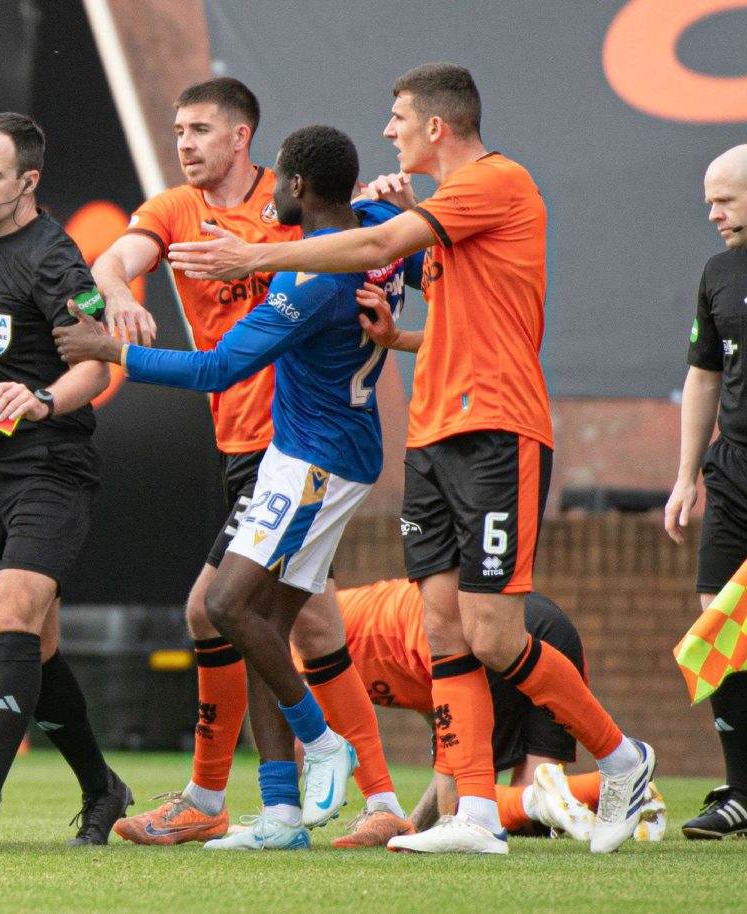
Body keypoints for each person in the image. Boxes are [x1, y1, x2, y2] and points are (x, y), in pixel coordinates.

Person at [166, 62, 654, 855]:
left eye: (397, 118)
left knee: (495, 636)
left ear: (437, 126)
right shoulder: (439, 213)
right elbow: (452, 307)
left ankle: (625, 759)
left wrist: (252, 259)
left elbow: (378, 243)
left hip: (497, 429)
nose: (387, 132)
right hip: (430, 433)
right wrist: (396, 339)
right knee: (444, 632)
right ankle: (473, 814)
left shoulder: (495, 183)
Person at [57, 125, 408, 851]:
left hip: (310, 458)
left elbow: (217, 370)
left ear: (300, 189)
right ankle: (280, 813)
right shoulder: (377, 227)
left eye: (280, 180)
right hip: (325, 448)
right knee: (266, 625)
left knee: (223, 605)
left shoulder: (308, 283)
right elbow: (399, 235)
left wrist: (111, 350)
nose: (270, 192)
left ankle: (322, 745)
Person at [0, 113, 129, 850]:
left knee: (11, 615)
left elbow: (97, 362)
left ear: (29, 181)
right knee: (33, 648)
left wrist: (42, 399)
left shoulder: (55, 257)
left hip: (53, 464)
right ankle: (103, 787)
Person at [320, 580, 665, 842]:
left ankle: (617, 773)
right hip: (542, 623)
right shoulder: (341, 622)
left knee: (460, 811)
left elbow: (307, 746)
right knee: (535, 820)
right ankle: (624, 784)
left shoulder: (310, 647)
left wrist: (409, 829)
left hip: (485, 639)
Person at [665, 143, 747, 838]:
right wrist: (687, 474)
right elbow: (703, 376)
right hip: (734, 476)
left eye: (725, 201)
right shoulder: (718, 273)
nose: (714, 215)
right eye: (708, 204)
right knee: (717, 628)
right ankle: (742, 790)